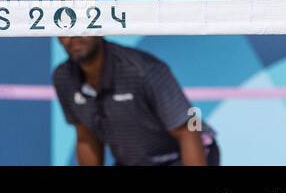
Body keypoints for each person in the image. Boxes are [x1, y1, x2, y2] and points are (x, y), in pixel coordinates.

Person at [54, 33, 218, 165]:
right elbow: (86, 137)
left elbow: (188, 130)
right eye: (64, 25)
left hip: (180, 156)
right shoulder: (63, 78)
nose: (73, 34)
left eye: (82, 24)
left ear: (100, 27)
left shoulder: (144, 70)